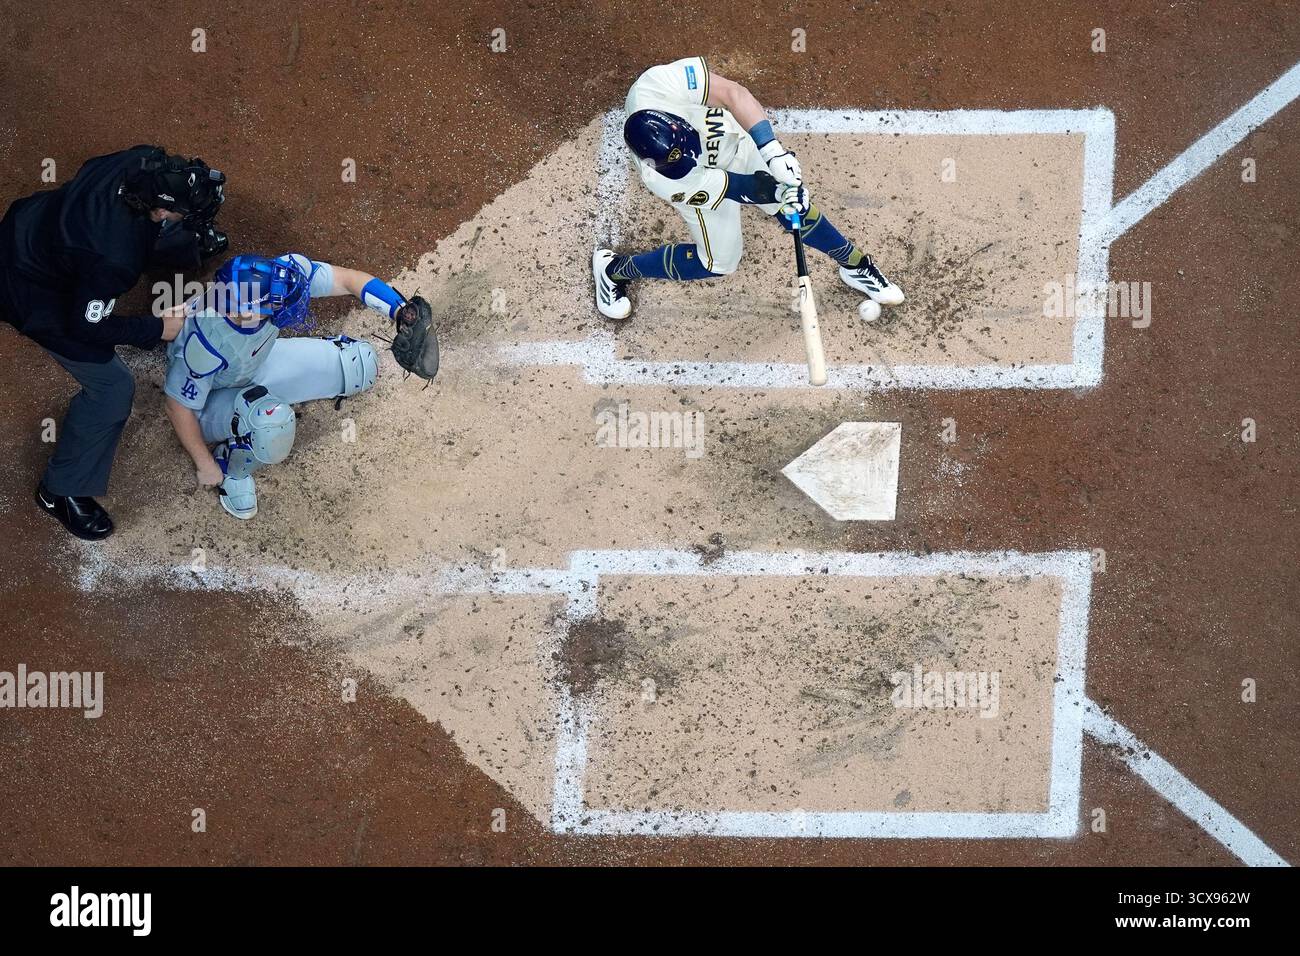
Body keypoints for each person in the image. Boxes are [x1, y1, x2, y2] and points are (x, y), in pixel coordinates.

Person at [0, 146, 228, 539]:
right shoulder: (114, 260)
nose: (194, 221)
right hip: (25, 289)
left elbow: (91, 170)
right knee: (112, 388)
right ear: (158, 211)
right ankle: (61, 492)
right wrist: (156, 328)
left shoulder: (139, 159)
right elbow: (88, 327)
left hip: (30, 223)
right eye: (185, 217)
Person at [592, 56, 904, 321]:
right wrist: (778, 191)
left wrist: (772, 152)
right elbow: (737, 186)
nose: (689, 158)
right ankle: (614, 270)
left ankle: (855, 266)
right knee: (718, 263)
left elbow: (733, 94)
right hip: (713, 184)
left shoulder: (658, 84)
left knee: (796, 209)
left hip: (737, 143)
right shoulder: (664, 178)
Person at [163, 253, 436, 520]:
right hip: (212, 401)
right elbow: (178, 408)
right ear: (244, 310)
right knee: (270, 424)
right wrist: (205, 464)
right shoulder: (205, 343)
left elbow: (346, 279)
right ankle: (232, 467)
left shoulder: (280, 277)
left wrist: (399, 310)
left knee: (360, 364)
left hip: (257, 364)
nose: (290, 306)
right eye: (276, 306)